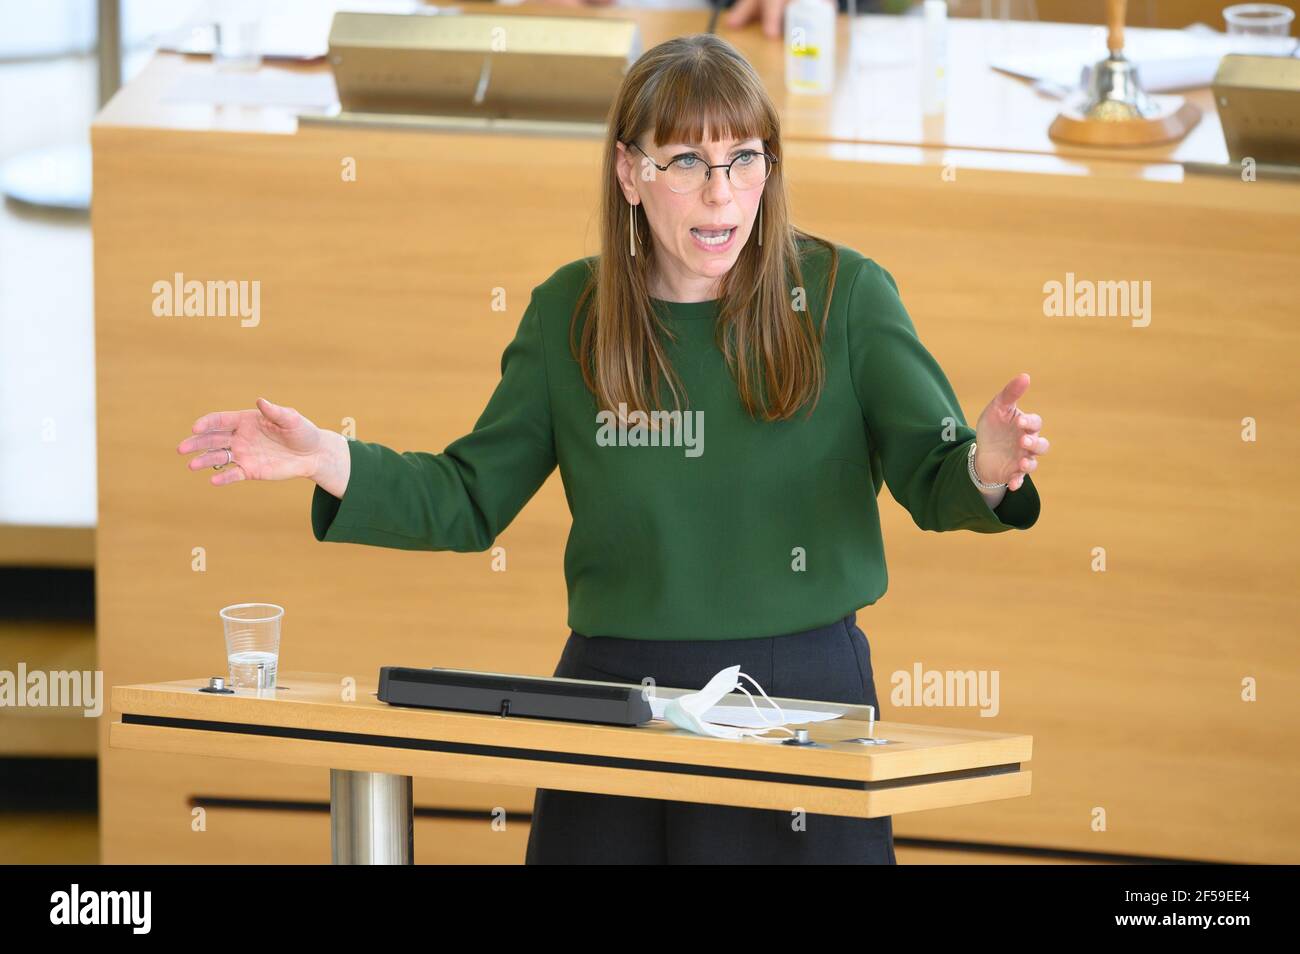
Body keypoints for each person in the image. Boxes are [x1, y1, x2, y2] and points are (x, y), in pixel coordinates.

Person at [177, 32, 1047, 865]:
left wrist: (987, 469)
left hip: (797, 696)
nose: (722, 193)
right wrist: (330, 456)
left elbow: (936, 480)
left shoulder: (843, 295)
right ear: (630, 172)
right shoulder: (570, 312)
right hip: (607, 699)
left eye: (746, 159)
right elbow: (471, 495)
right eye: (686, 164)